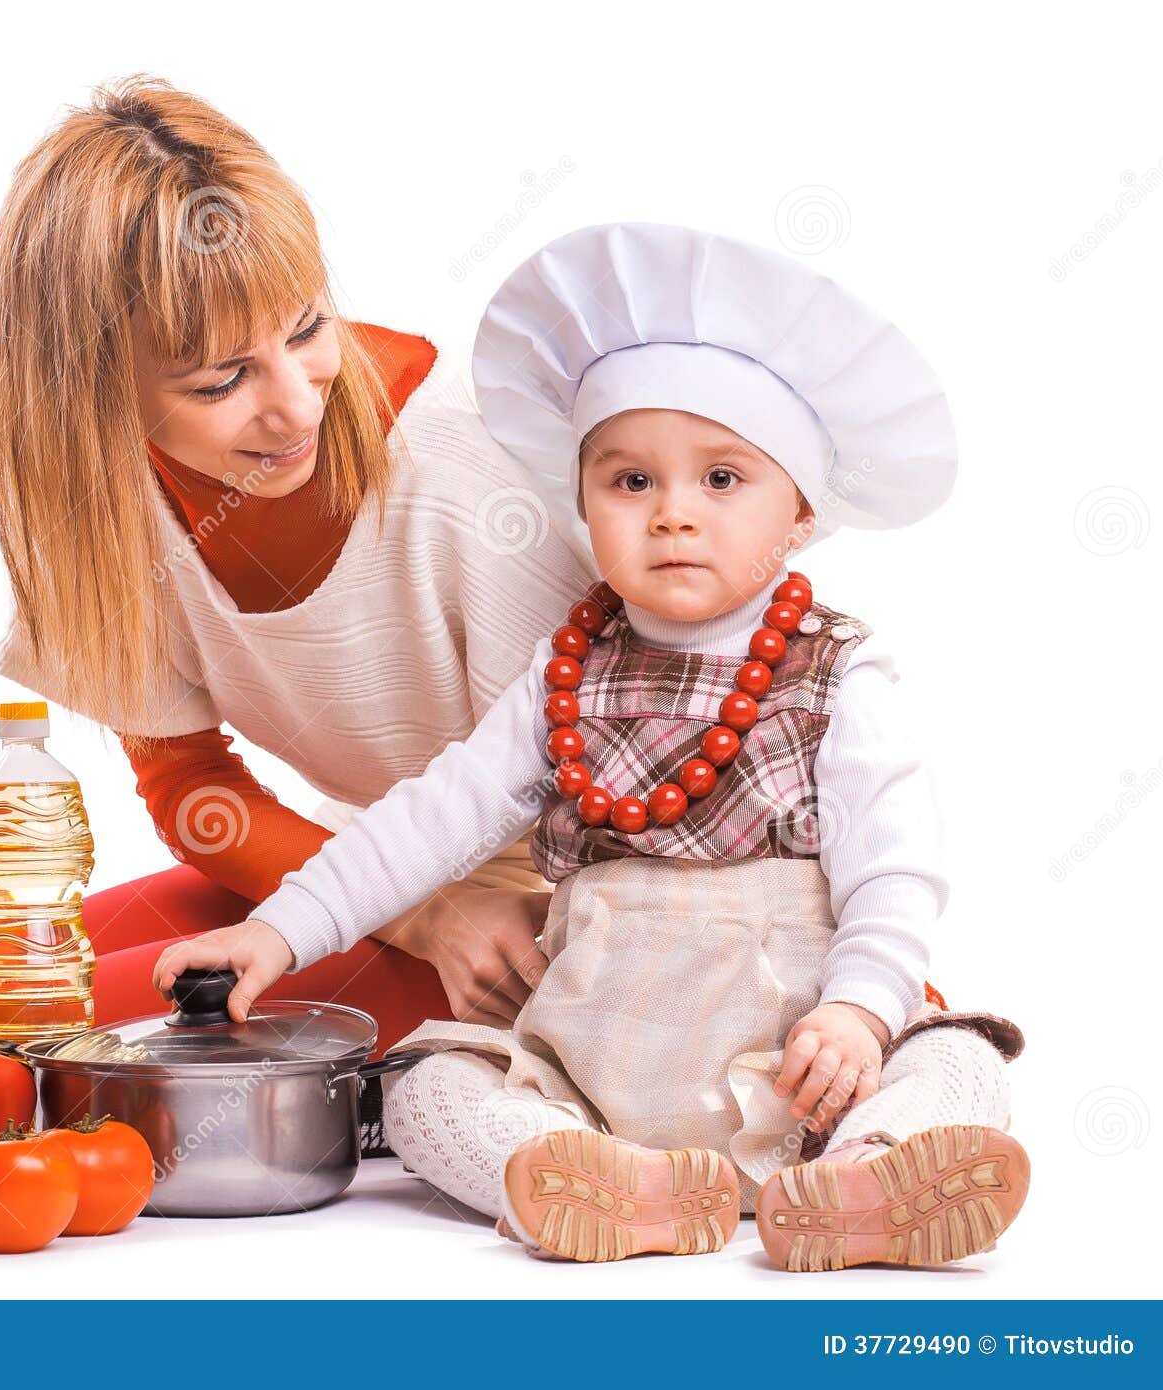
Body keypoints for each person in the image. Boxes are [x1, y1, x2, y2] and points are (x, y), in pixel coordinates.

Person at [154, 222, 1030, 1270]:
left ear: (799, 511)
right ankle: (590, 1179)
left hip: (798, 1071)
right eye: (630, 483)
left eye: (720, 480)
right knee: (428, 1087)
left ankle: (866, 1173)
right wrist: (282, 933)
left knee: (958, 1053)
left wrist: (855, 1012)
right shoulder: (564, 674)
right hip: (597, 1066)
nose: (671, 516)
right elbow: (427, 821)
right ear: (579, 503)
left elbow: (894, 870)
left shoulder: (834, 674)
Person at [0, 76, 594, 1055]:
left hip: (551, 909)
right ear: (89, 392)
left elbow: (622, 788)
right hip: (377, 883)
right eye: (223, 378)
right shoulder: (106, 507)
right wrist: (416, 910)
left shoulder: (467, 467)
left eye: (308, 328)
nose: (298, 407)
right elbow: (190, 789)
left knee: (38, 1036)